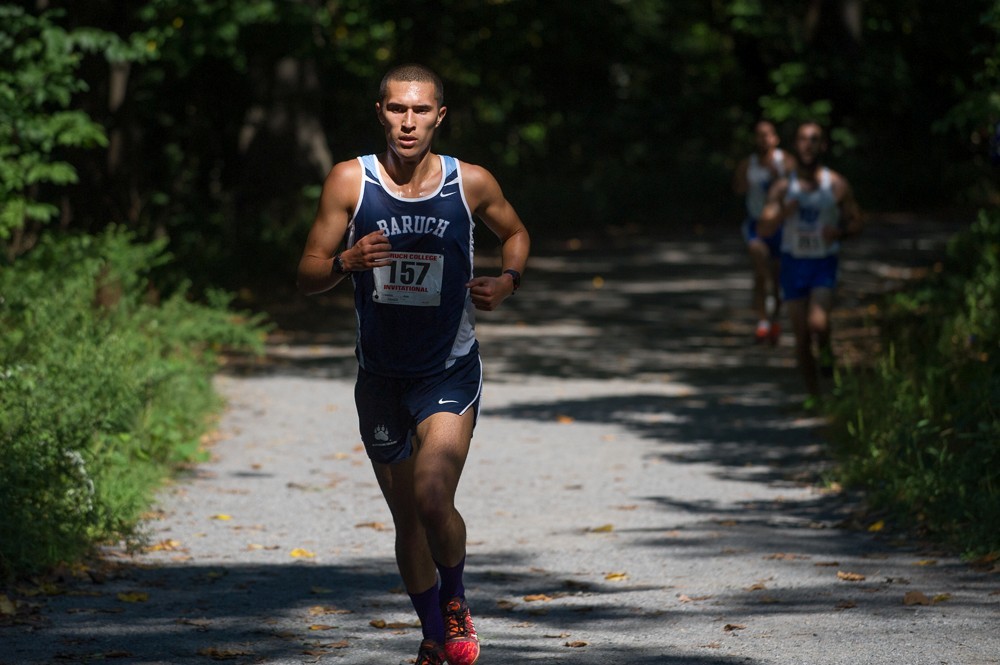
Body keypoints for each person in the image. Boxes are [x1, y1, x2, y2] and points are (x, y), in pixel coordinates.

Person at [297, 63, 530, 665]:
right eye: (397, 109)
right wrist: (347, 261)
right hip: (379, 376)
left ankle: (455, 604)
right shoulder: (350, 182)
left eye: (420, 110)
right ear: (381, 112)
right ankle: (432, 635)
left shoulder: (469, 182)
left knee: (432, 498)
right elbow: (307, 273)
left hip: (448, 369)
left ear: (439, 117)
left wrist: (507, 281)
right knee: (407, 521)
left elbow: (517, 232)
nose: (408, 121)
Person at [759, 121, 861, 403]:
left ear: (823, 146)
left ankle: (826, 349)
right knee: (802, 337)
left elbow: (857, 222)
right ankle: (814, 396)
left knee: (817, 323)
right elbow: (763, 229)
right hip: (793, 264)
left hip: (823, 263)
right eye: (803, 139)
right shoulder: (782, 188)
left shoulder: (836, 184)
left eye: (814, 139)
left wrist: (839, 232)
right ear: (796, 144)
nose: (808, 144)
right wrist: (782, 214)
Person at [732, 120, 796, 345]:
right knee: (759, 265)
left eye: (768, 135)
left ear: (775, 138)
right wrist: (749, 183)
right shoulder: (748, 164)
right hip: (756, 224)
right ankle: (762, 320)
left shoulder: (784, 161)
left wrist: (778, 177)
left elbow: (797, 187)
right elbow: (738, 188)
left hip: (779, 225)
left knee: (777, 276)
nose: (764, 139)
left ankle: (774, 320)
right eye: (759, 135)